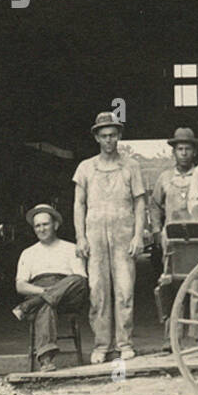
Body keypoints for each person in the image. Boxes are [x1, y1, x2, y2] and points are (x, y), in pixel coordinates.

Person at [73, 112, 146, 364]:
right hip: (95, 235)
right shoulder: (85, 167)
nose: (108, 140)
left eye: (113, 135)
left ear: (119, 136)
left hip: (123, 234)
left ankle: (125, 343)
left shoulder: (131, 166)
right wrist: (80, 237)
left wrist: (138, 235)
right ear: (96, 137)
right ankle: (101, 345)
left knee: (125, 290)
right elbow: (79, 204)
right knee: (98, 291)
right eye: (104, 136)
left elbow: (140, 203)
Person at [13, 204, 89, 372]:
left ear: (55, 225)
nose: (41, 229)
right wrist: (43, 292)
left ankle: (29, 306)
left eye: (45, 224)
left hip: (68, 295)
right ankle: (46, 361)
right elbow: (20, 285)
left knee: (79, 280)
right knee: (46, 304)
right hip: (39, 291)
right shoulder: (28, 253)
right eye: (37, 226)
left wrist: (53, 291)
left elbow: (80, 279)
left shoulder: (70, 248)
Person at [150, 127, 198, 342]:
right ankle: (172, 337)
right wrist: (155, 230)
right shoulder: (164, 178)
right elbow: (154, 205)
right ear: (173, 152)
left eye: (187, 149)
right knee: (170, 286)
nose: (183, 153)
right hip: (171, 239)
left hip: (196, 238)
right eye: (179, 149)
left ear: (194, 152)